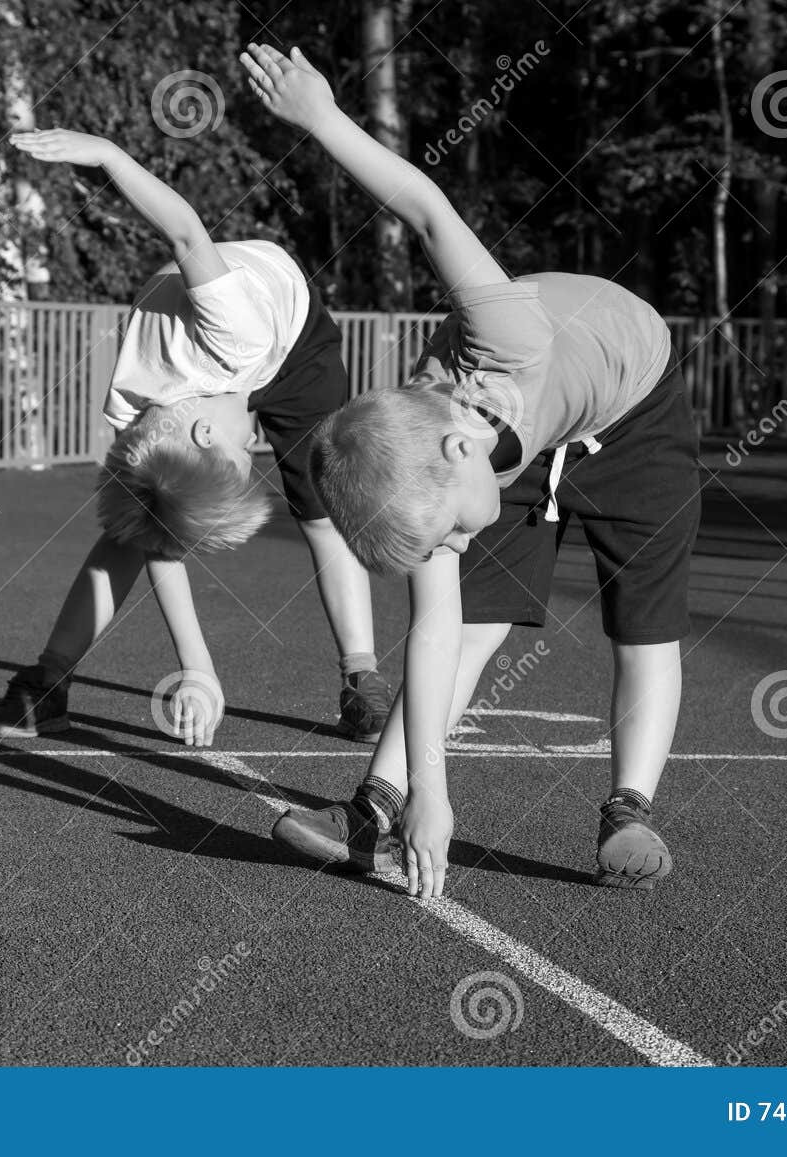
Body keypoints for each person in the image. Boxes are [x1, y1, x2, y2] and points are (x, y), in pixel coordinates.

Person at [240, 44, 701, 895]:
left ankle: (629, 810)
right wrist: (433, 794)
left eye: (451, 530)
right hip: (517, 439)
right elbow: (433, 631)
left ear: (460, 453)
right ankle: (375, 807)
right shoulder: (426, 456)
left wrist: (322, 119)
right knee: (469, 625)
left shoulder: (505, 341)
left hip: (634, 405)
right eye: (447, 537)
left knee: (644, 624)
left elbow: (425, 210)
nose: (456, 541)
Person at [0, 128, 392, 745]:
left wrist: (111, 155)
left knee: (321, 508)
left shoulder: (236, 334)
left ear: (205, 431)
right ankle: (47, 682)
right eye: (248, 451)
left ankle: (362, 676)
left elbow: (186, 233)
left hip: (291, 342)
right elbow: (157, 536)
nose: (254, 443)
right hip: (213, 363)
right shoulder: (135, 415)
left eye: (244, 451)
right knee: (133, 527)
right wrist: (197, 670)